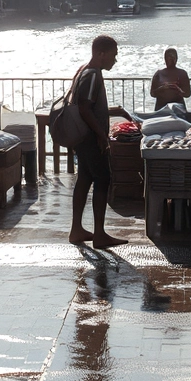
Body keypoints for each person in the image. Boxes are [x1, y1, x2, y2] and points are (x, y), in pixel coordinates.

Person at [68, 34, 126, 249]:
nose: (115, 60)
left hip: (83, 139)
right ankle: (100, 234)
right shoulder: (92, 75)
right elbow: (85, 107)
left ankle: (77, 229)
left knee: (84, 179)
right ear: (101, 54)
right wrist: (102, 136)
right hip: (91, 140)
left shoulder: (83, 71)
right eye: (113, 55)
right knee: (103, 179)